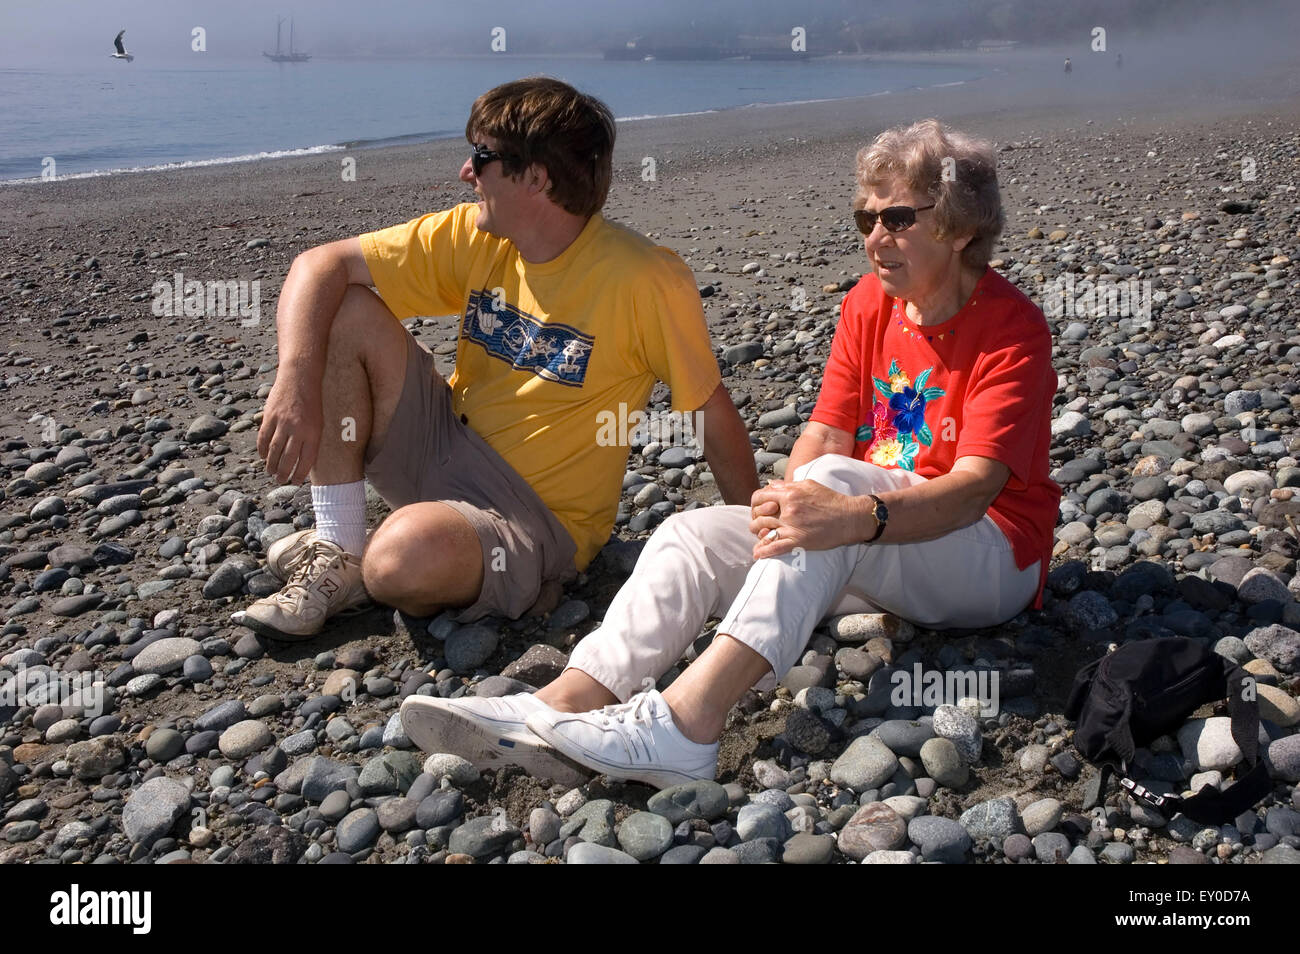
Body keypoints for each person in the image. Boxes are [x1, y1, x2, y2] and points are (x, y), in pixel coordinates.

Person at [400, 118, 1061, 790]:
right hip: (876, 537)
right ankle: (567, 701)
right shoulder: (869, 303)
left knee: (824, 490)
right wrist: (794, 508)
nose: (873, 239)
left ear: (960, 227)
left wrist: (847, 514)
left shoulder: (1011, 328)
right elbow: (828, 433)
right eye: (865, 217)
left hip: (990, 553)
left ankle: (686, 726)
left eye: (896, 218)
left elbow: (977, 487)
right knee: (689, 531)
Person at [242, 77, 759, 641]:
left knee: (396, 562)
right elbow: (319, 265)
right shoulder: (477, 235)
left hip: (528, 513)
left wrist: (756, 543)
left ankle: (426, 563)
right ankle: (338, 547)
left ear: (536, 177)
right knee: (342, 306)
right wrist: (294, 381)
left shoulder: (644, 279)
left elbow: (709, 413)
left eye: (481, 157)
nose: (466, 172)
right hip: (442, 438)